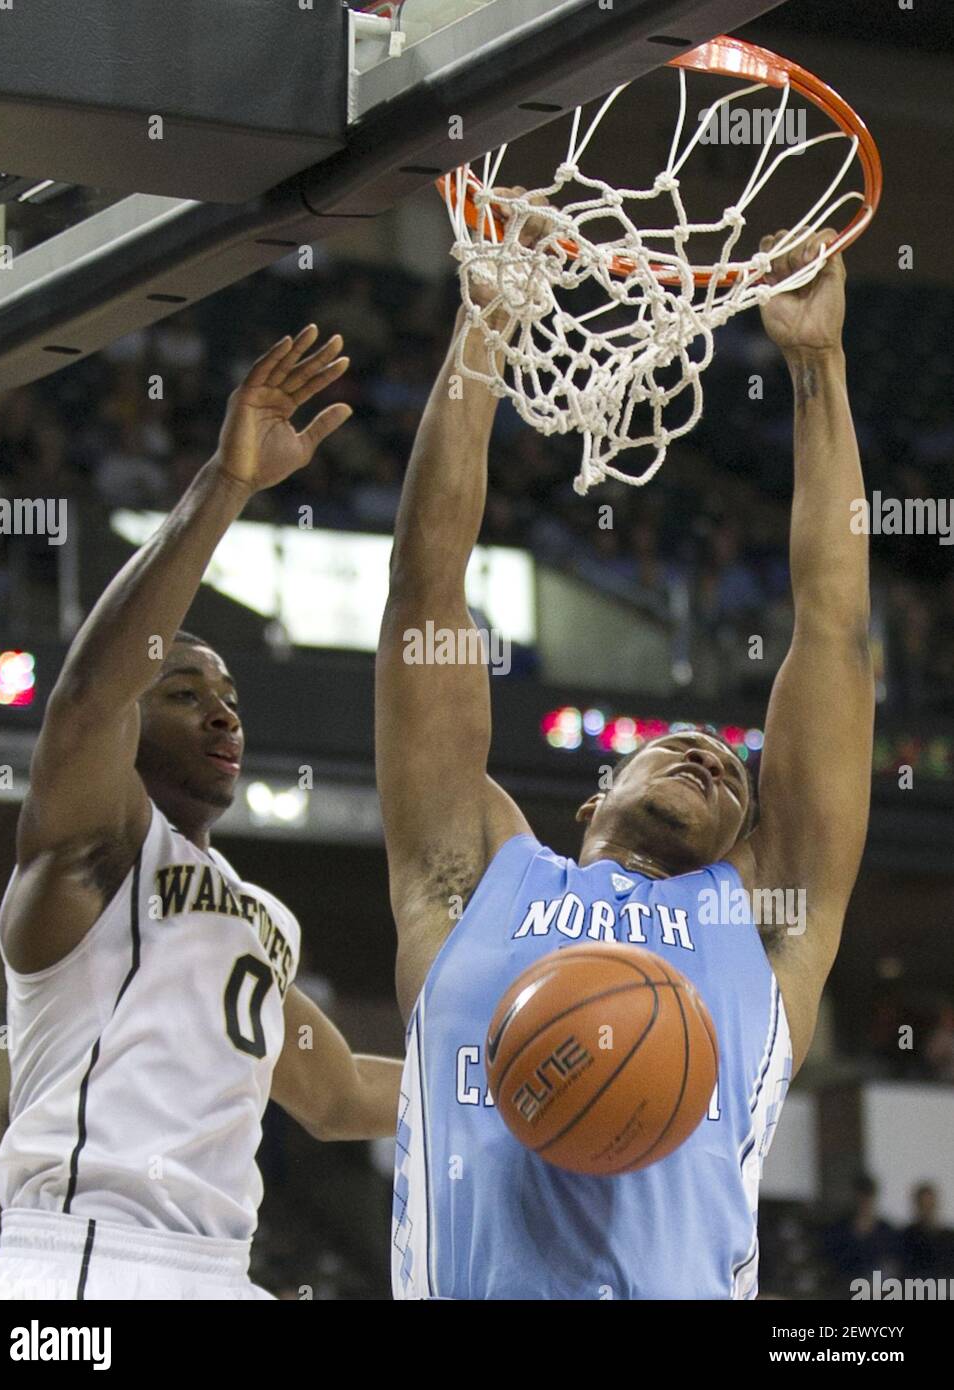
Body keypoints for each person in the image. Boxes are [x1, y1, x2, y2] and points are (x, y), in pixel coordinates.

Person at [376, 222, 874, 1298]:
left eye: (736, 770)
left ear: (749, 838)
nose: (710, 750)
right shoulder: (475, 875)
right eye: (676, 742)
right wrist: (481, 334)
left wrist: (816, 368)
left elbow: (832, 630)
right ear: (593, 796)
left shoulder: (761, 917)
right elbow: (425, 600)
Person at [0, 329, 401, 1302]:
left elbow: (332, 1095)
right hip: (85, 1261)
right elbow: (85, 698)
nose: (221, 711)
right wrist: (226, 483)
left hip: (217, 1271)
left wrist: (512, 1094)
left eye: (232, 695)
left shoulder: (260, 920)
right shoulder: (95, 854)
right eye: (183, 689)